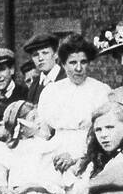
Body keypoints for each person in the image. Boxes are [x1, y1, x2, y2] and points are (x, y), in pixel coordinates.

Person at [39, 34, 111, 176]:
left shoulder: (101, 90)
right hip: (55, 156)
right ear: (63, 64)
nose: (78, 68)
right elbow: (42, 133)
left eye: (83, 62)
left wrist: (77, 156)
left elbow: (105, 134)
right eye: (72, 63)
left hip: (88, 155)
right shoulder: (51, 91)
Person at [23, 32, 64, 106]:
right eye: (35, 55)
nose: (40, 58)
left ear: (55, 54)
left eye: (45, 53)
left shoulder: (66, 78)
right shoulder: (35, 84)